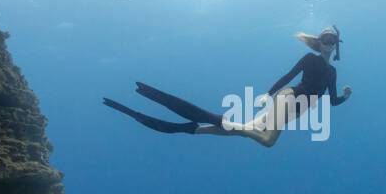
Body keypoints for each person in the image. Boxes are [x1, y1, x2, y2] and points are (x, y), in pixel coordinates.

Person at [102, 25, 352, 147]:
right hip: (288, 99)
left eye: (331, 39)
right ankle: (208, 116)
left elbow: (331, 101)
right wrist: (268, 94)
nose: (328, 42)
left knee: (238, 131)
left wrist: (345, 96)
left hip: (295, 111)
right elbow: (288, 76)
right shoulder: (310, 59)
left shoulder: (332, 72)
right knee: (267, 141)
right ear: (318, 43)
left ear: (336, 43)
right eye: (324, 39)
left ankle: (188, 128)